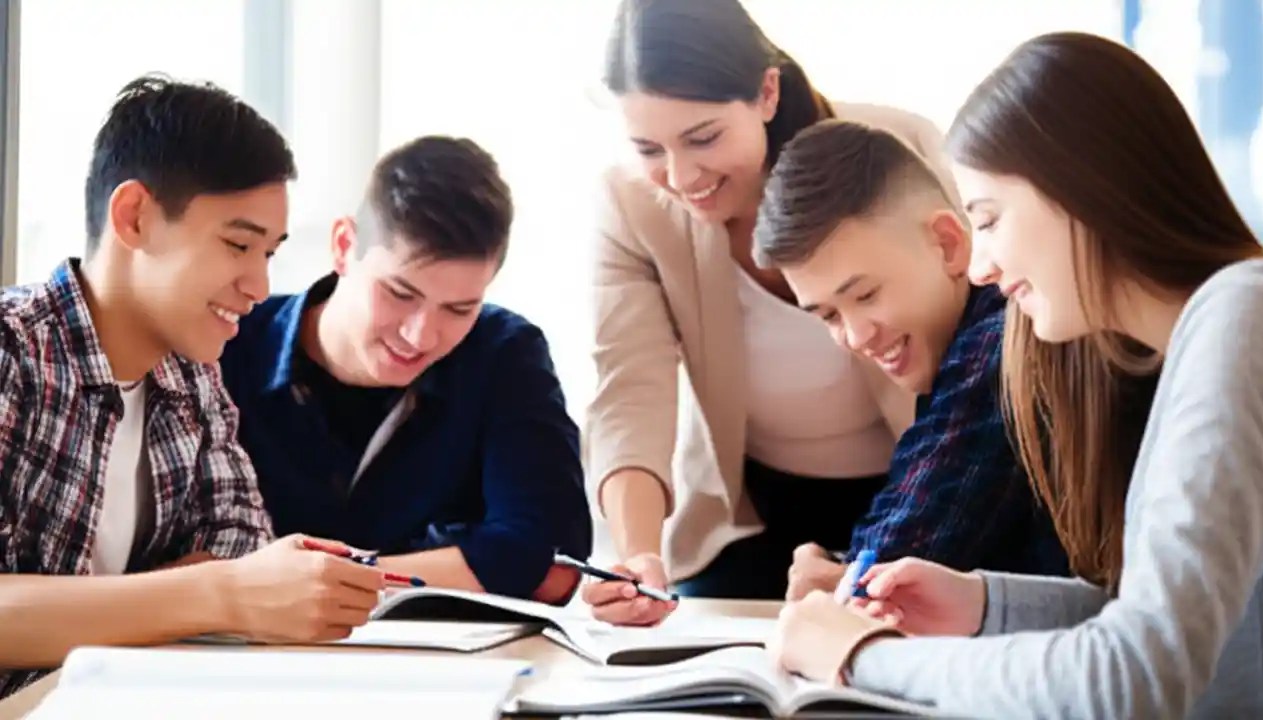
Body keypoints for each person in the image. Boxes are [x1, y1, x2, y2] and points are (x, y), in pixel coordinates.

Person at [768, 32, 1263, 719]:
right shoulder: (1200, 339)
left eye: (989, 220)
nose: (980, 268)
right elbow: (1165, 623)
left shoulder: (1243, 313)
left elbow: (1134, 676)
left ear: (1080, 192)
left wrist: (863, 657)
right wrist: (983, 604)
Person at [0, 75, 388, 700]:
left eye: (269, 254)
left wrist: (206, 593)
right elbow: (236, 589)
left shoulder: (193, 379)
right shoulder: (12, 353)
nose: (260, 286)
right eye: (238, 244)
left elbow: (243, 558)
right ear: (134, 217)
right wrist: (210, 594)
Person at [582, 0, 961, 623]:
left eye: (703, 137)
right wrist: (638, 556)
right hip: (751, 514)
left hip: (924, 481)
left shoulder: (896, 152)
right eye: (649, 147)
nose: (681, 176)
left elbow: (983, 346)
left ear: (766, 92)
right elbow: (629, 390)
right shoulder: (632, 206)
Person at [219, 136, 592, 603]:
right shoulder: (229, 345)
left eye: (459, 309)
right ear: (344, 247)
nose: (421, 336)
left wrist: (312, 582)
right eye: (400, 294)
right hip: (245, 659)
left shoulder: (503, 353)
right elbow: (182, 560)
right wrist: (462, 560)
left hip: (455, 665)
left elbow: (552, 561)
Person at [752, 119, 1069, 602]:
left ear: (947, 244)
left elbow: (887, 573)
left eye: (865, 294)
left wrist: (842, 580)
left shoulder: (1000, 347)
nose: (856, 336)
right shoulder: (959, 354)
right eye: (829, 316)